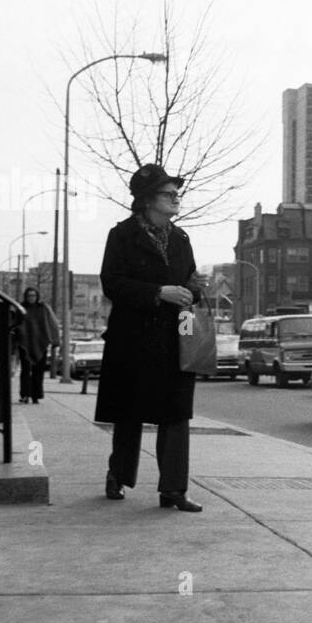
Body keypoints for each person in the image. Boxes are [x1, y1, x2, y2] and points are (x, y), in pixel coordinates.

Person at [94, 164, 206, 512]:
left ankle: (173, 490)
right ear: (147, 200)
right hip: (133, 339)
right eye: (168, 194)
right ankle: (119, 474)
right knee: (130, 411)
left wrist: (192, 291)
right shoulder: (122, 236)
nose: (176, 199)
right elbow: (112, 283)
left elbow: (188, 283)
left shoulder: (181, 238)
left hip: (174, 341)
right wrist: (159, 292)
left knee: (175, 414)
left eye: (177, 194)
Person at [13, 286, 59, 405]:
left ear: (37, 296)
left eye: (33, 295)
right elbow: (14, 324)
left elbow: (53, 323)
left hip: (40, 343)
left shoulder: (43, 308)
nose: (31, 298)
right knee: (25, 370)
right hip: (25, 344)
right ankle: (24, 395)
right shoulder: (21, 308)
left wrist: (55, 340)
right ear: (26, 297)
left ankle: (36, 395)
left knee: (38, 371)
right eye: (29, 296)